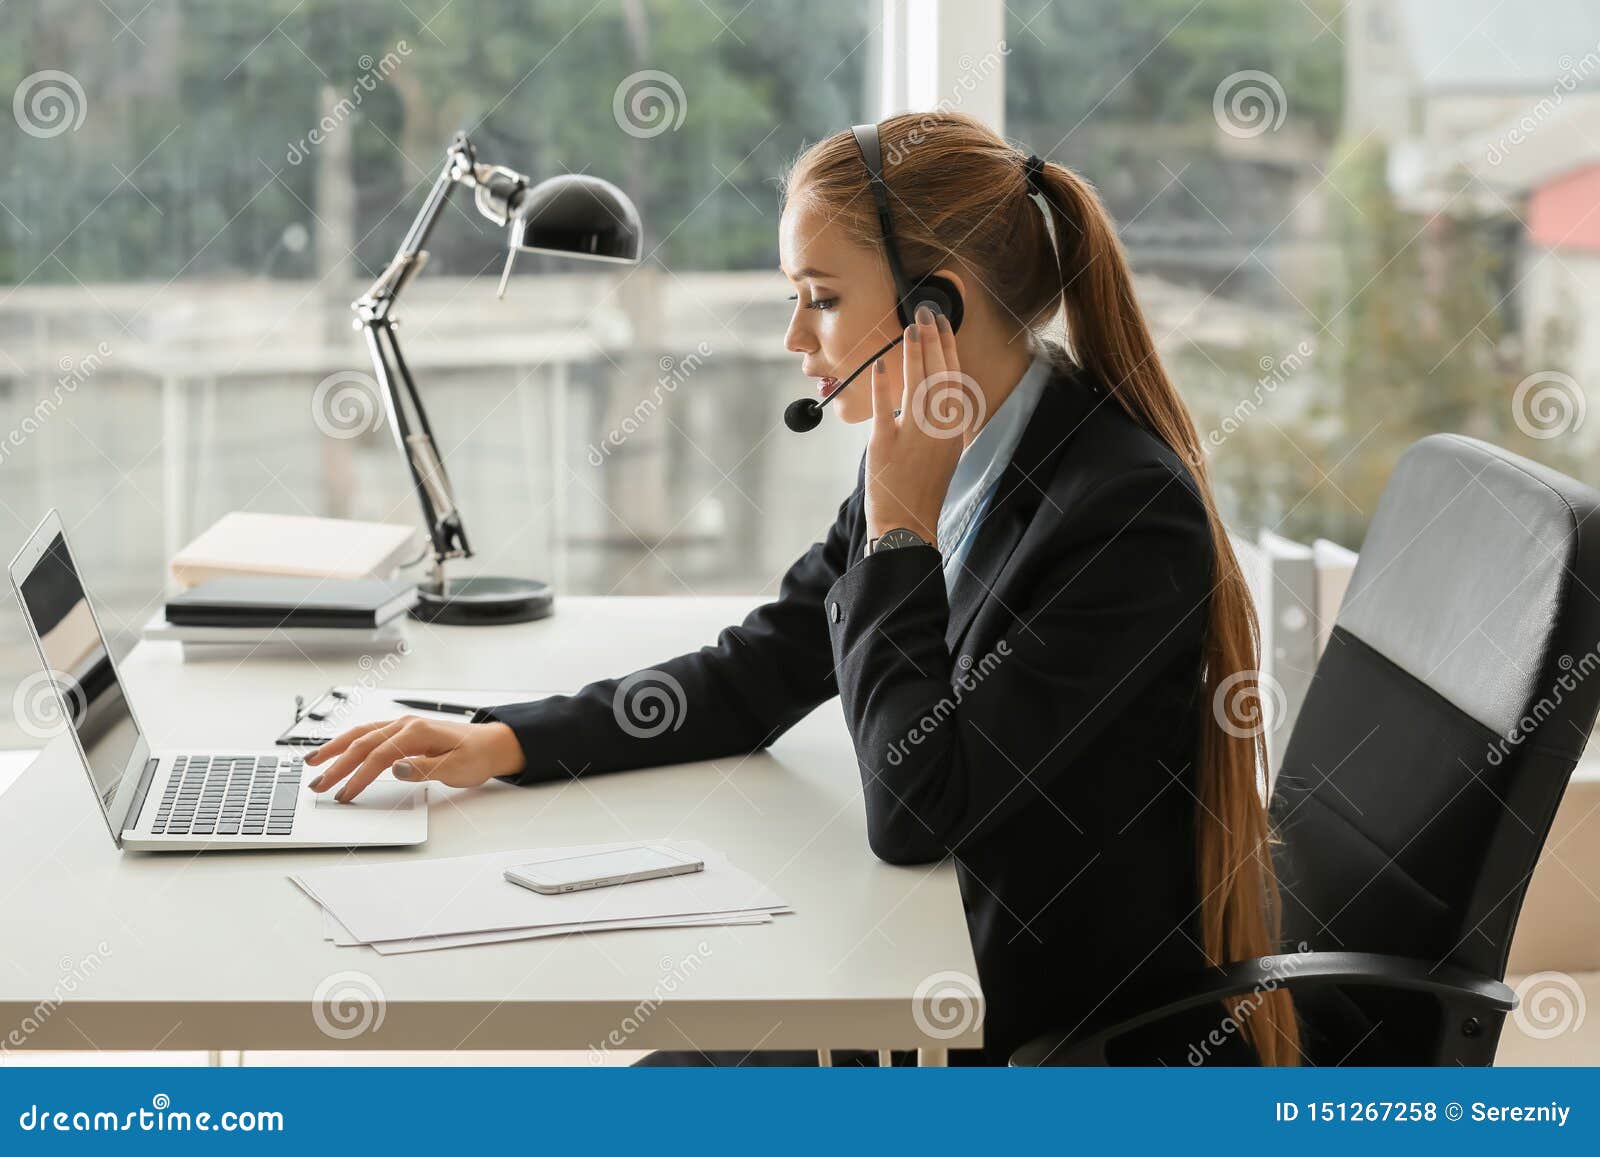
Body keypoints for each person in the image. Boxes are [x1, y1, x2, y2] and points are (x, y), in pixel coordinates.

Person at [304, 111, 1300, 1067]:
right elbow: (766, 664)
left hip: (1025, 1037)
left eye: (819, 296)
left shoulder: (1117, 512)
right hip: (926, 967)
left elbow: (918, 812)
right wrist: (507, 739)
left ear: (933, 310)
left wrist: (901, 525)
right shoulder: (933, 450)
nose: (794, 336)